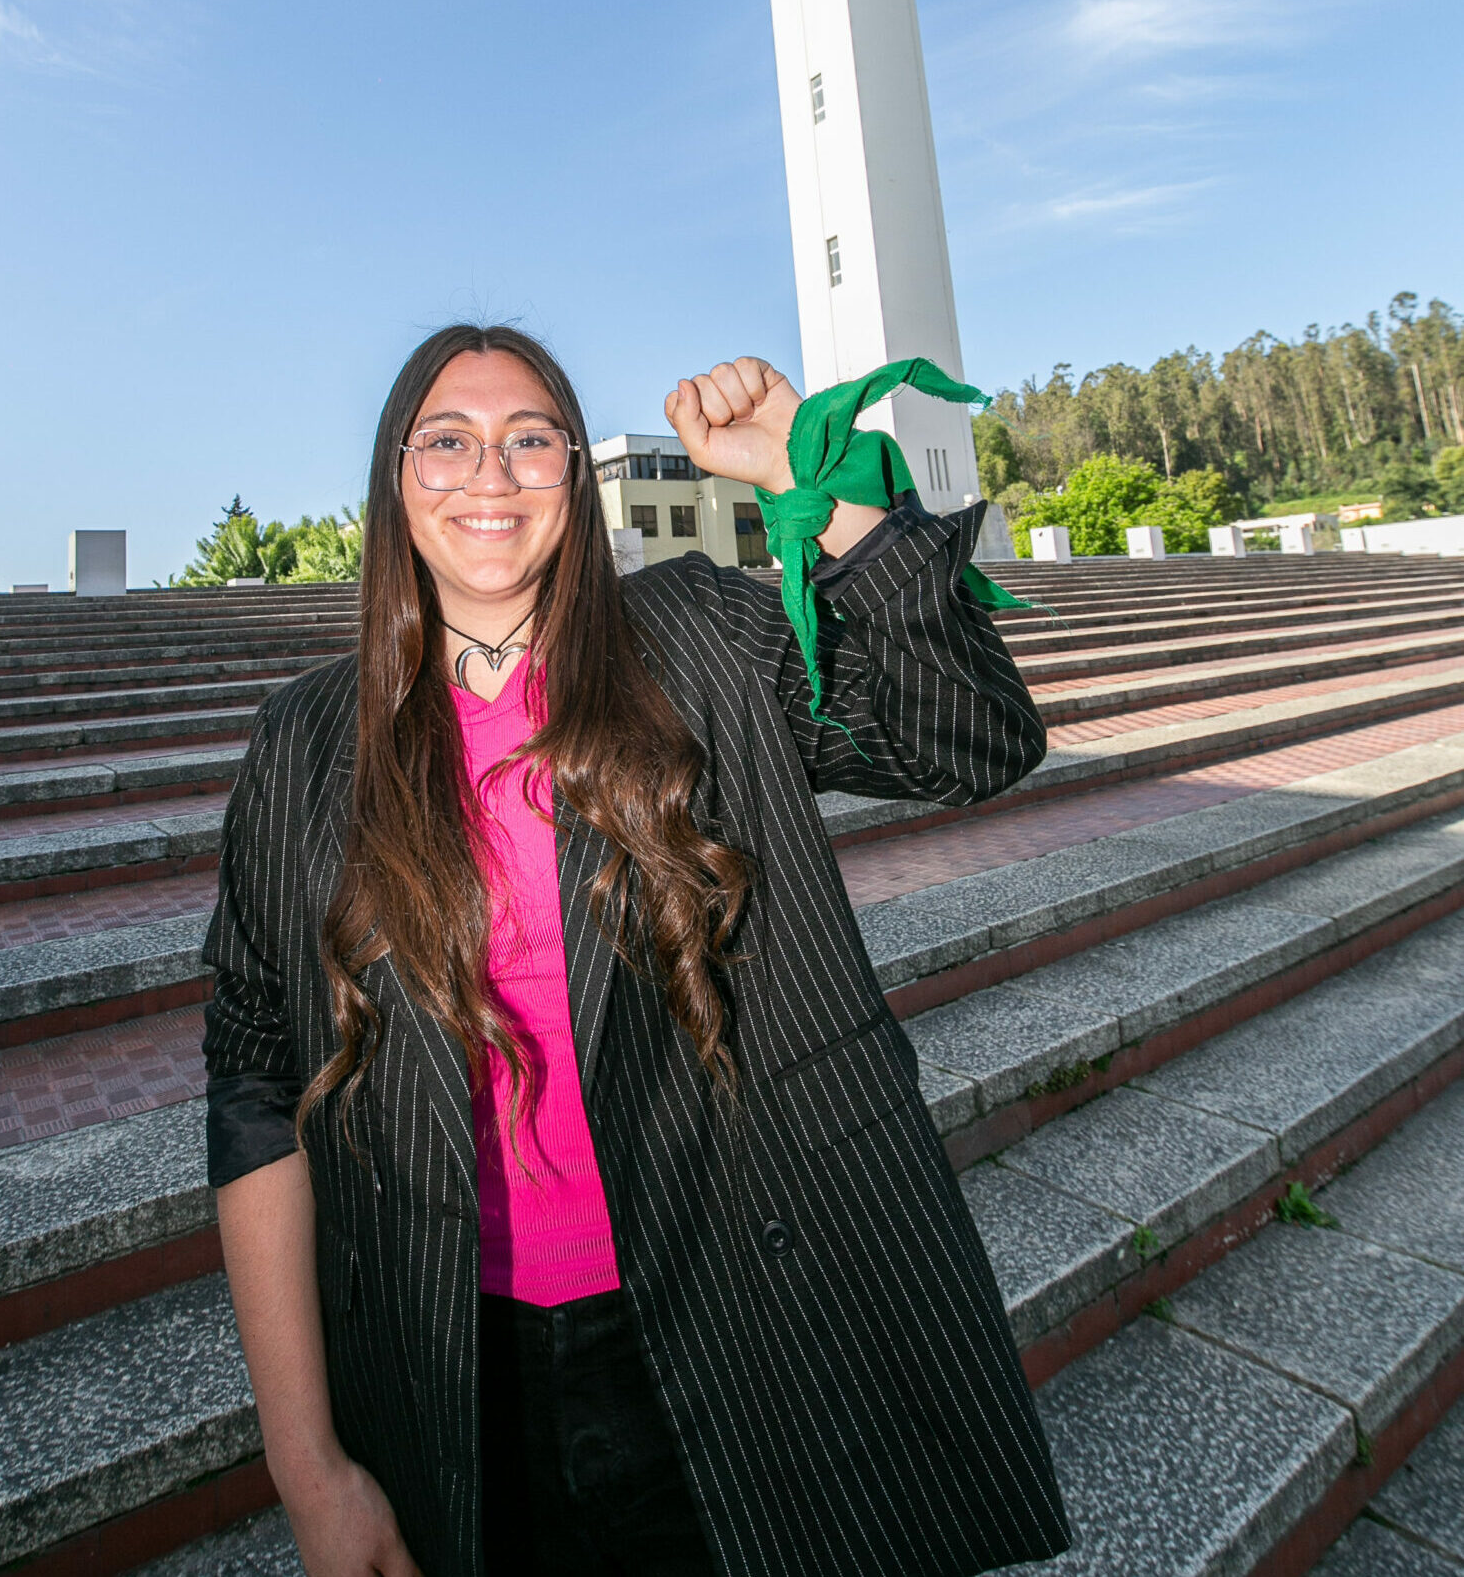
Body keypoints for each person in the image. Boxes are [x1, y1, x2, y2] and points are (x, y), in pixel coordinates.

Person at [204, 323, 1070, 1577]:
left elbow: (974, 740)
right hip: (454, 1364)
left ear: (578, 474)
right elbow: (252, 1084)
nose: (489, 475)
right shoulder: (306, 740)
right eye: (447, 441)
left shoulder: (700, 637)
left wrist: (810, 485)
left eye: (530, 440)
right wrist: (311, 1466)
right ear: (395, 479)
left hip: (747, 1309)